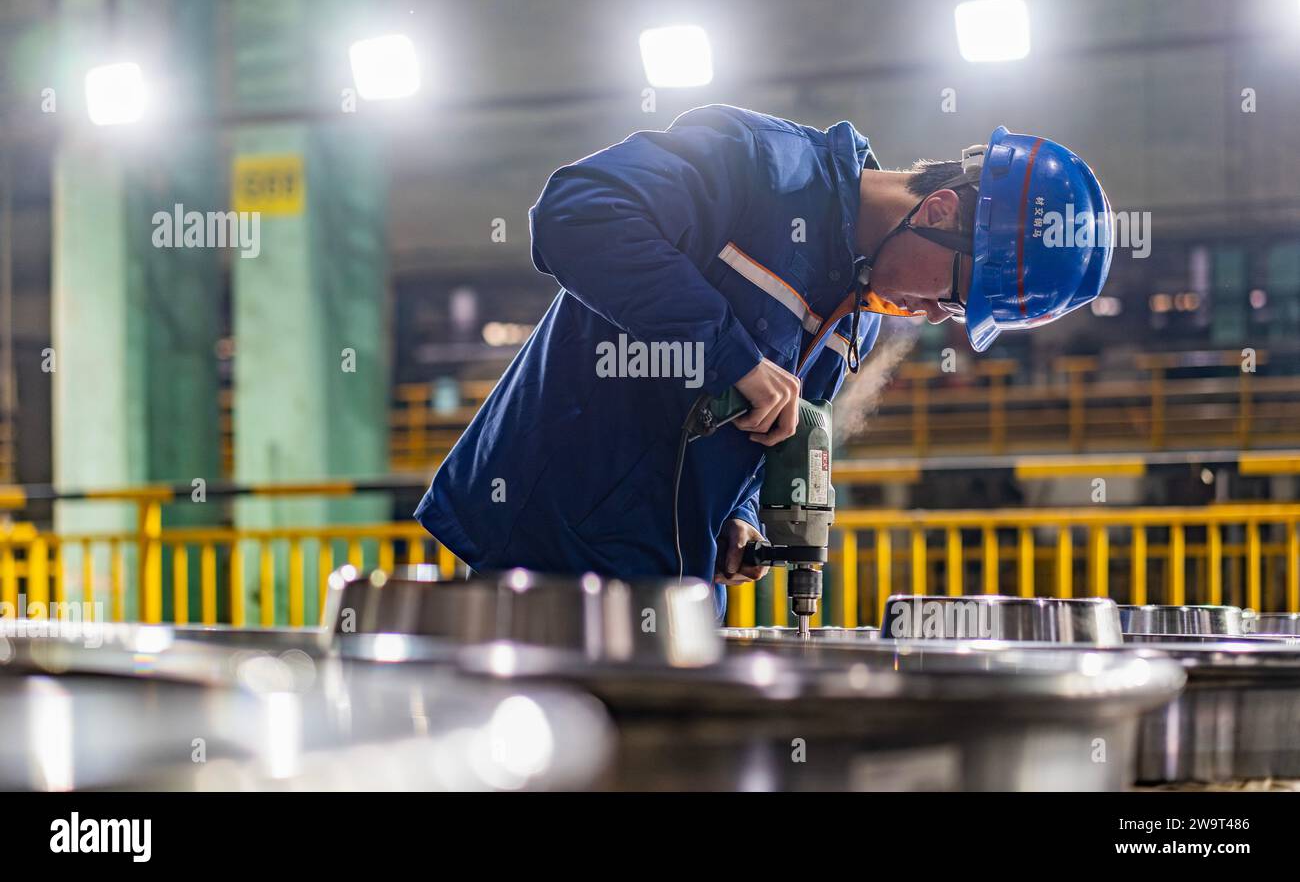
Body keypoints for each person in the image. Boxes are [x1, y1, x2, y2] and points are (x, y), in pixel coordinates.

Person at [415, 105, 1113, 615]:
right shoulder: (757, 167)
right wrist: (729, 354)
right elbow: (574, 214)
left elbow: (762, 428)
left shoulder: (857, 321)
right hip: (545, 553)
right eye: (956, 295)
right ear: (935, 210)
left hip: (672, 591)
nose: (937, 316)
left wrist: (740, 515)